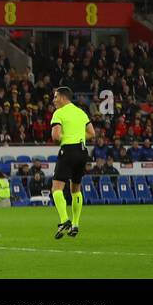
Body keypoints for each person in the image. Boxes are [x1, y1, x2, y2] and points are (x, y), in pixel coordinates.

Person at [49, 87, 93, 239]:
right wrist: (78, 136)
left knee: (56, 188)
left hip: (68, 150)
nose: (54, 100)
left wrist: (66, 137)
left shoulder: (59, 113)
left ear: (62, 97)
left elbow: (55, 136)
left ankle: (63, 220)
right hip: (82, 152)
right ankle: (75, 224)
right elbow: (92, 133)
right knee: (76, 189)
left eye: (55, 97)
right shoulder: (81, 112)